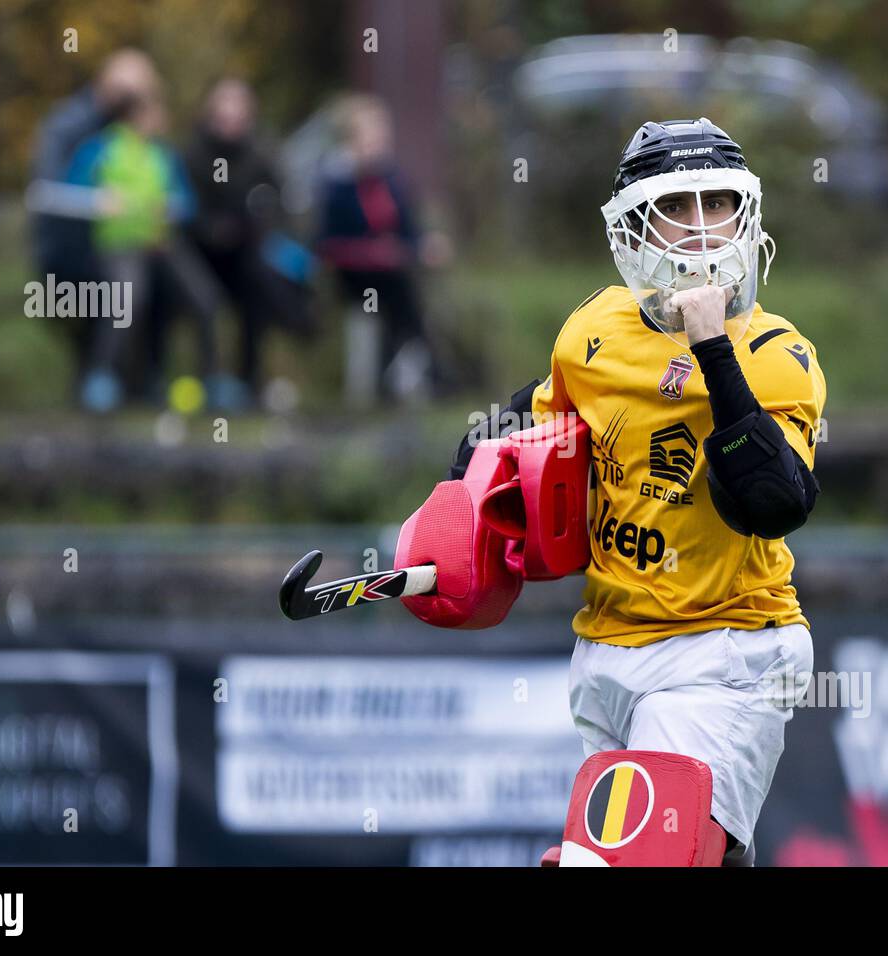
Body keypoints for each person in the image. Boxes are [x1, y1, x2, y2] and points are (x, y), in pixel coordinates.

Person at [445, 118, 825, 865]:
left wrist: (712, 349)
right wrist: (467, 500)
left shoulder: (778, 354)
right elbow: (527, 428)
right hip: (606, 649)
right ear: (631, 229)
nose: (701, 230)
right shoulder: (593, 329)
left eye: (716, 204)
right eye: (676, 208)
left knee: (631, 861)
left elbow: (774, 504)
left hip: (723, 650)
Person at [64, 90, 227, 412]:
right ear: (135, 115)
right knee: (128, 300)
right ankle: (101, 378)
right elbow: (72, 189)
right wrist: (100, 199)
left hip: (160, 243)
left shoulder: (163, 154)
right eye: (155, 111)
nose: (161, 119)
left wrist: (171, 208)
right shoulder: (101, 149)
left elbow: (187, 202)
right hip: (119, 244)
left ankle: (212, 379)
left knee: (206, 298)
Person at [28, 49, 161, 386]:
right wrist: (97, 202)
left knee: (168, 280)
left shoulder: (137, 135)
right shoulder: (69, 125)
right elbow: (43, 192)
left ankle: (139, 382)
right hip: (69, 253)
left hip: (122, 248)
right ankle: (101, 381)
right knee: (123, 289)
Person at [315, 95, 441, 404]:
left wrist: (423, 245)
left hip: (390, 267)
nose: (378, 143)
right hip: (353, 273)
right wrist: (375, 252)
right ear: (352, 139)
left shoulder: (391, 177)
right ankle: (405, 374)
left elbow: (406, 225)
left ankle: (405, 372)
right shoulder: (336, 184)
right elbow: (325, 242)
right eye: (370, 135)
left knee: (405, 290)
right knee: (400, 294)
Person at [186, 78, 301, 405]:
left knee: (260, 288)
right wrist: (213, 230)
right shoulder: (194, 154)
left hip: (246, 257)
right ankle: (208, 381)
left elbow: (280, 203)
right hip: (202, 254)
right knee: (203, 298)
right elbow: (187, 210)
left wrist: (261, 225)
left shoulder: (260, 153)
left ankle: (250, 380)